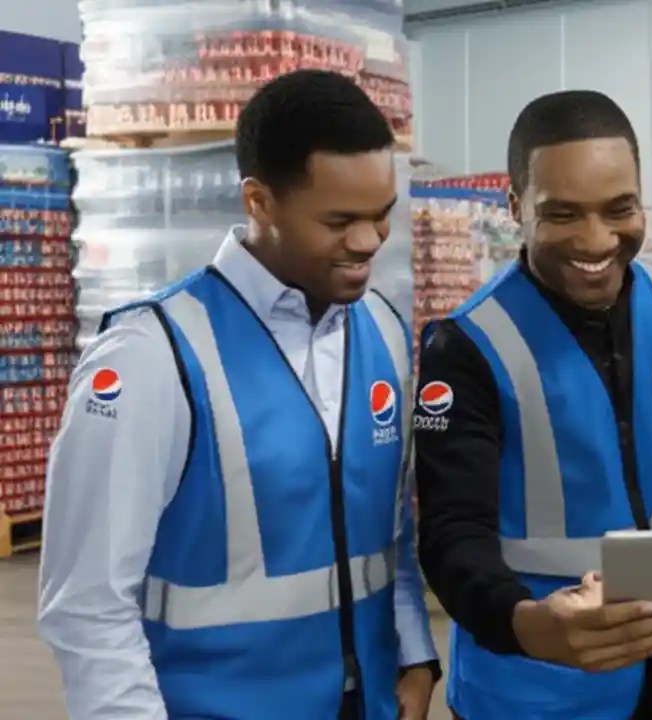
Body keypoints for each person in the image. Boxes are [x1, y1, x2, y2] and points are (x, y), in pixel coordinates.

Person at [37, 69, 440, 720]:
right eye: (339, 220)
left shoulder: (385, 335)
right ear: (259, 201)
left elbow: (388, 537)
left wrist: (415, 655)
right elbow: (88, 605)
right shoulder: (153, 357)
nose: (368, 241)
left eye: (381, 215)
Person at [414, 89, 652, 720]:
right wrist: (527, 624)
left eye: (620, 208)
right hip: (534, 688)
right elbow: (451, 535)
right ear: (515, 207)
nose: (597, 239)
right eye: (563, 214)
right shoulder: (468, 345)